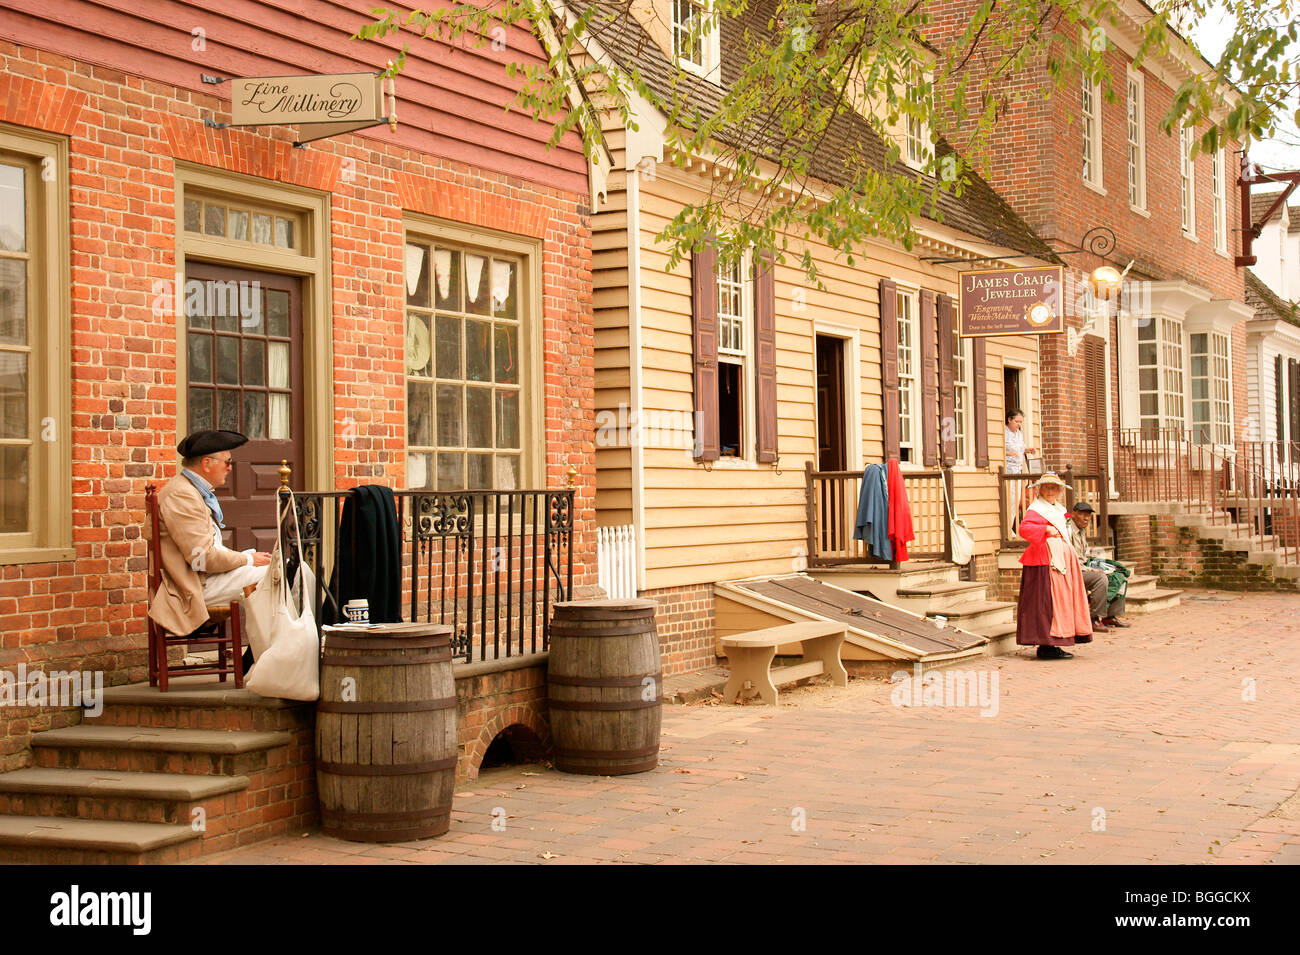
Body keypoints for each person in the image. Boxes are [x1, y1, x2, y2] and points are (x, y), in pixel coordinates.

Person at [148, 429, 273, 639]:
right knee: (288, 575)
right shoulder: (183, 495)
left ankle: (267, 654)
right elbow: (201, 558)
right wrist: (247, 559)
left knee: (285, 569)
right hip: (194, 588)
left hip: (202, 578)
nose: (229, 468)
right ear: (207, 463)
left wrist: (247, 559)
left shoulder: (190, 491)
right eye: (227, 462)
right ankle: (279, 654)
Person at [1015, 471, 1093, 659]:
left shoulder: (1058, 508)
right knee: (1048, 604)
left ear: (1058, 491)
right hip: (1045, 562)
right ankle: (1046, 645)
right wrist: (1045, 529)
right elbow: (1024, 528)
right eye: (1047, 488)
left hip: (1060, 560)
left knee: (1061, 602)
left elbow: (1066, 521)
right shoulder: (1036, 509)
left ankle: (1056, 642)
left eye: (1054, 488)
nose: (1050, 491)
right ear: (1040, 490)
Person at [1067, 502, 1131, 631]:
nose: (1085, 518)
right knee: (1100, 578)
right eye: (1081, 514)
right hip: (1073, 570)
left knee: (1120, 573)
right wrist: (1090, 569)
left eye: (1088, 515)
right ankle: (1094, 618)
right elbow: (1070, 559)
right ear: (1073, 514)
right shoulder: (1068, 529)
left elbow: (1083, 554)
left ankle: (1110, 615)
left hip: (1084, 564)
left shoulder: (1082, 529)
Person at [1004, 409, 1038, 474]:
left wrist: (1027, 450)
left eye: (1021, 422)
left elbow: (1020, 449)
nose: (1019, 424)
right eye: (1016, 421)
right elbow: (996, 451)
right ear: (1009, 420)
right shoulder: (1003, 432)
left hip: (1018, 469)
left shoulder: (1019, 434)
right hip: (1007, 469)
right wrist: (1008, 453)